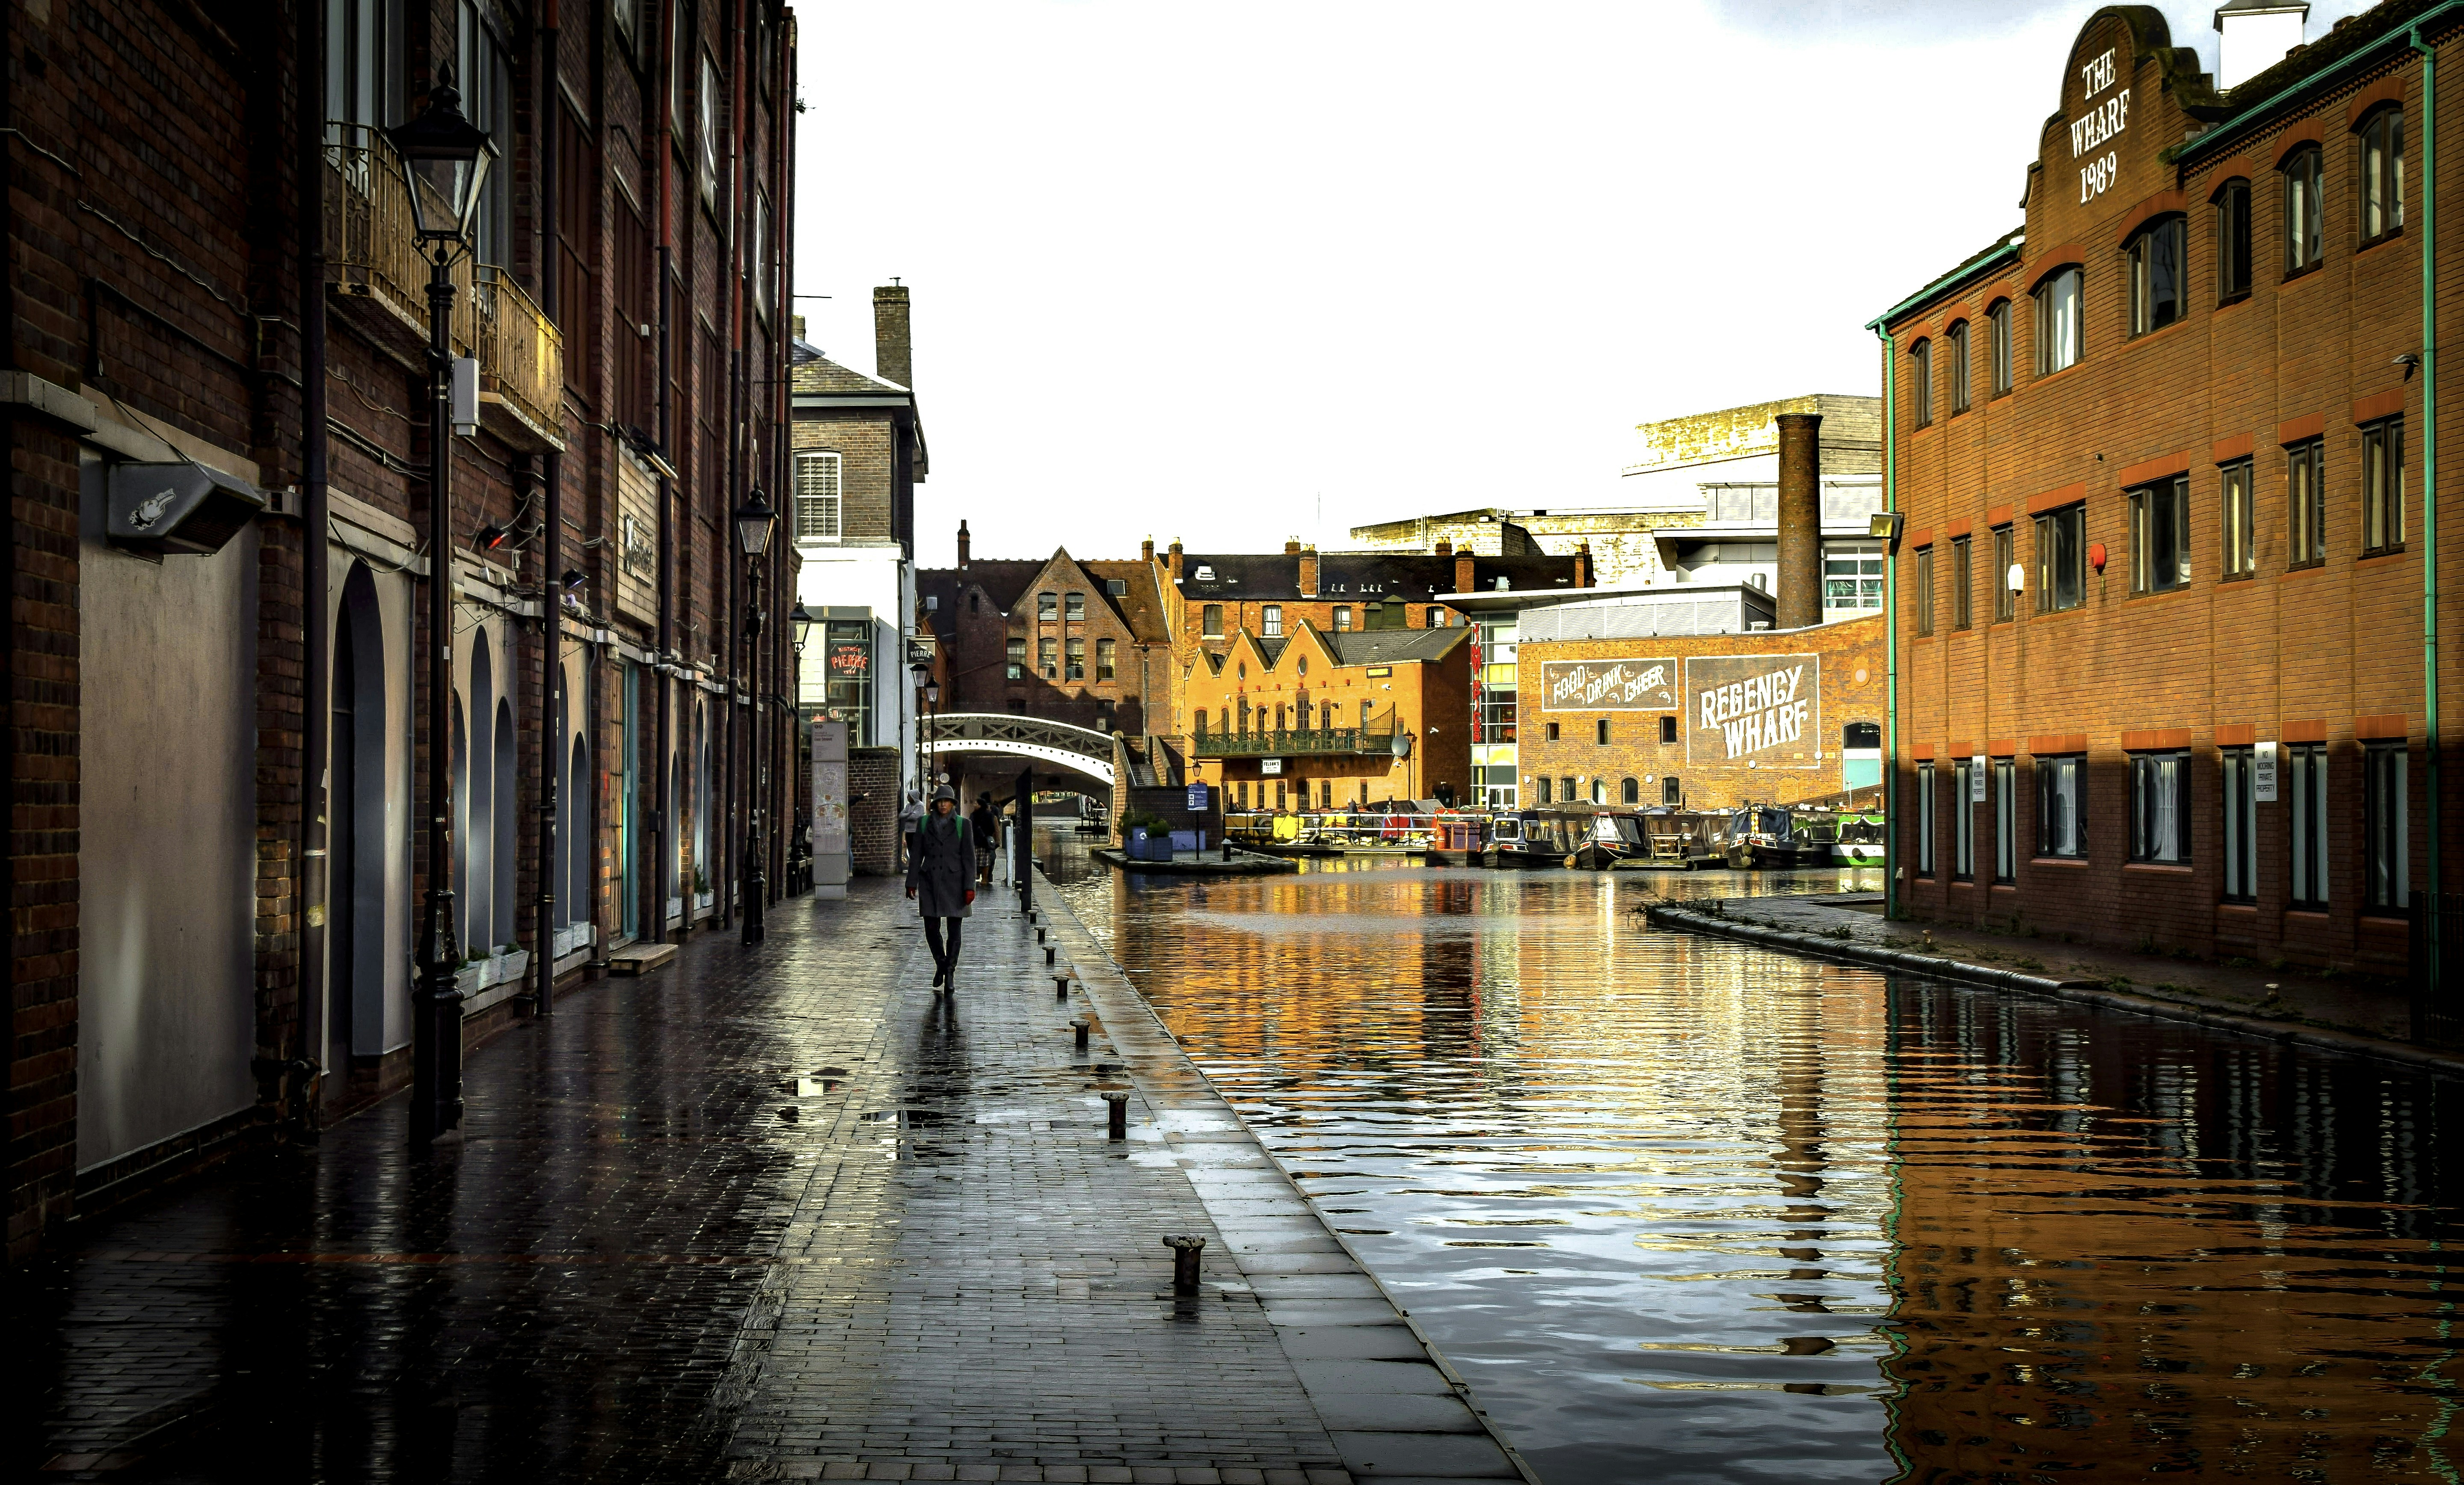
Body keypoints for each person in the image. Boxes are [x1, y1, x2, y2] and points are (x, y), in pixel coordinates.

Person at [906, 784, 974, 992]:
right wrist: (911, 882)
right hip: (930, 881)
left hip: (956, 883)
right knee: (931, 929)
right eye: (940, 801)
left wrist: (970, 887)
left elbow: (969, 858)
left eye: (947, 802)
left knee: (955, 931)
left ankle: (950, 972)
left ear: (953, 804)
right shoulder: (924, 823)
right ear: (935, 804)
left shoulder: (963, 825)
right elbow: (916, 855)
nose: (943, 805)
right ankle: (941, 963)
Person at [970, 793, 999, 884]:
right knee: (984, 861)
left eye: (976, 804)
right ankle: (984, 878)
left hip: (980, 842)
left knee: (980, 860)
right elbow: (994, 829)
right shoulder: (987, 815)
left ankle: (983, 877)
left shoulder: (976, 815)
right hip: (983, 842)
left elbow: (993, 828)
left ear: (981, 805)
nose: (974, 805)